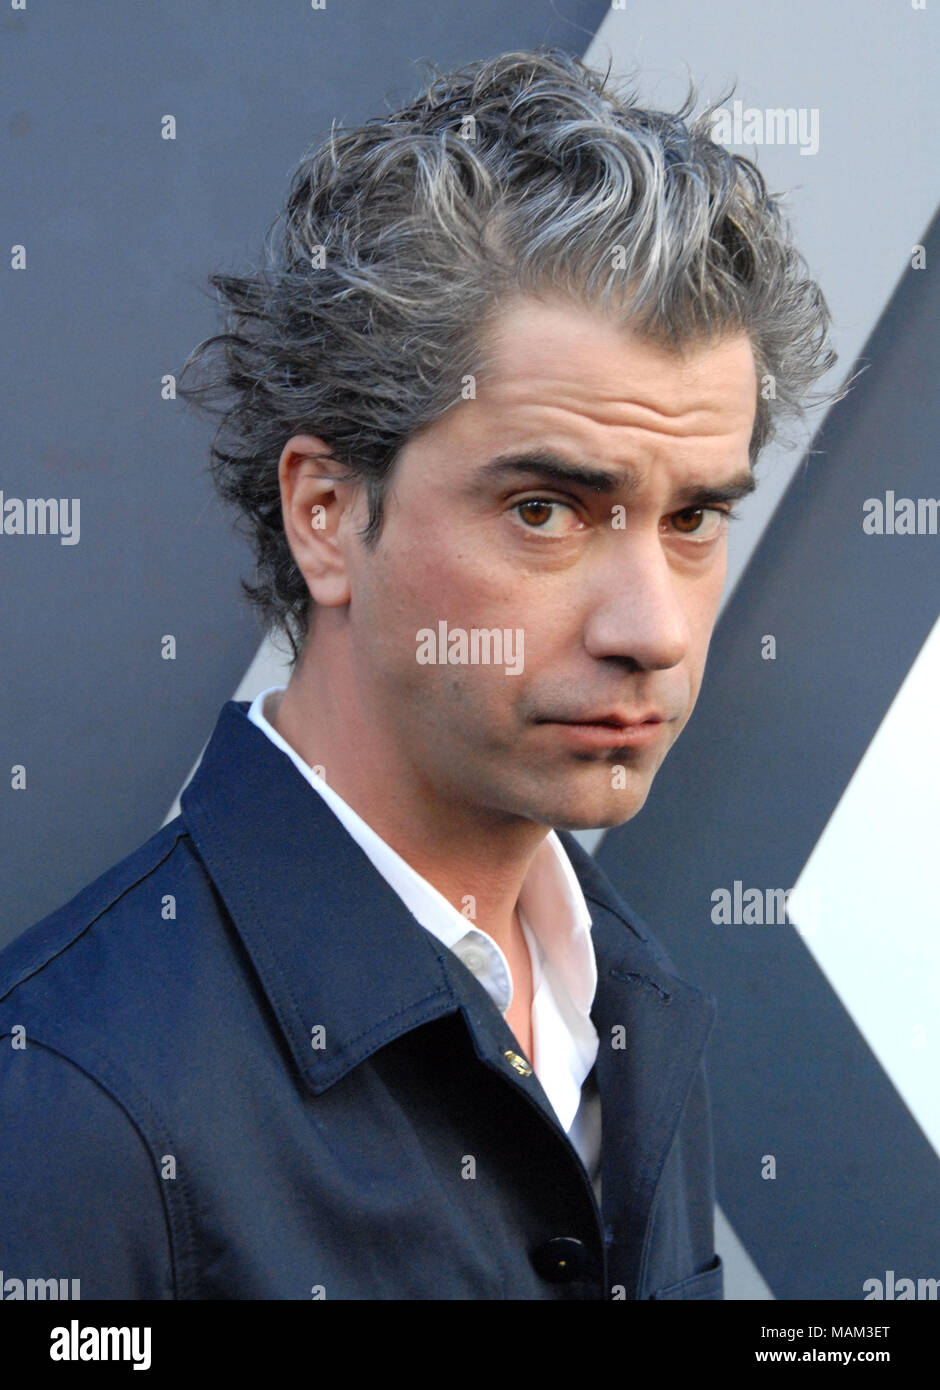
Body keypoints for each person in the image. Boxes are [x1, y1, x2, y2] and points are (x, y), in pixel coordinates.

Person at [0, 47, 841, 1300]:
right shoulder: (73, 1097)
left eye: (693, 518)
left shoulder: (630, 1003)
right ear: (328, 513)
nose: (653, 628)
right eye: (548, 511)